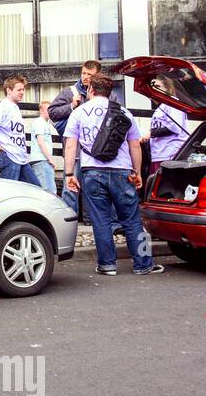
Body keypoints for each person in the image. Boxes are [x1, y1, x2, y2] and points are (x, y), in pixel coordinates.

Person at [64, 73, 163, 277]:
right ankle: (143, 264)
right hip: (122, 173)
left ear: (90, 89)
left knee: (101, 221)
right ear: (110, 93)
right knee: (133, 220)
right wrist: (137, 172)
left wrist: (68, 175)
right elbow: (134, 145)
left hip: (92, 172)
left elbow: (71, 145)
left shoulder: (79, 112)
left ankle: (107, 265)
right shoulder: (124, 113)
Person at [49, 59, 103, 215]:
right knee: (70, 188)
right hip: (75, 151)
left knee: (93, 189)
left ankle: (90, 220)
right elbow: (52, 112)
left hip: (96, 152)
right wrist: (71, 106)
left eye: (90, 74)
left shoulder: (104, 93)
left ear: (97, 75)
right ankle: (69, 220)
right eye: (83, 73)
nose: (85, 77)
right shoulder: (69, 92)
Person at [0, 75, 43, 186]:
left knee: (35, 189)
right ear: (9, 90)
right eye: (19, 89)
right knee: (8, 193)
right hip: (9, 157)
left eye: (23, 89)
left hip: (21, 159)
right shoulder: (3, 107)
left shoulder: (15, 108)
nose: (22, 92)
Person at [147, 101, 190, 175]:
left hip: (169, 154)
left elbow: (175, 127)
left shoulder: (171, 104)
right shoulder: (163, 106)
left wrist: (151, 134)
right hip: (160, 154)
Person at [27, 100, 59, 195]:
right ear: (41, 110)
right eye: (48, 110)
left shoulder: (46, 123)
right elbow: (41, 142)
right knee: (48, 192)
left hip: (43, 160)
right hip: (42, 160)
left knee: (47, 190)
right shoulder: (39, 122)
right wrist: (50, 159)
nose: (50, 112)